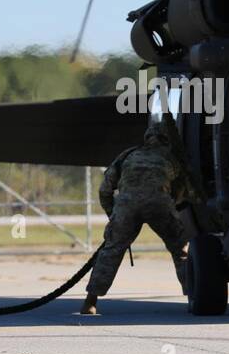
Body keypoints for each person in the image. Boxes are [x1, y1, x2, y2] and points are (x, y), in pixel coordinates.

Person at [82, 117, 202, 315]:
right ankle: (193, 297)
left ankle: (90, 302)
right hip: (160, 204)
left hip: (126, 207)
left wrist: (113, 215)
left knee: (111, 251)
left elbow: (105, 189)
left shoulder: (127, 156)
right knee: (181, 250)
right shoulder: (171, 158)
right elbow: (187, 192)